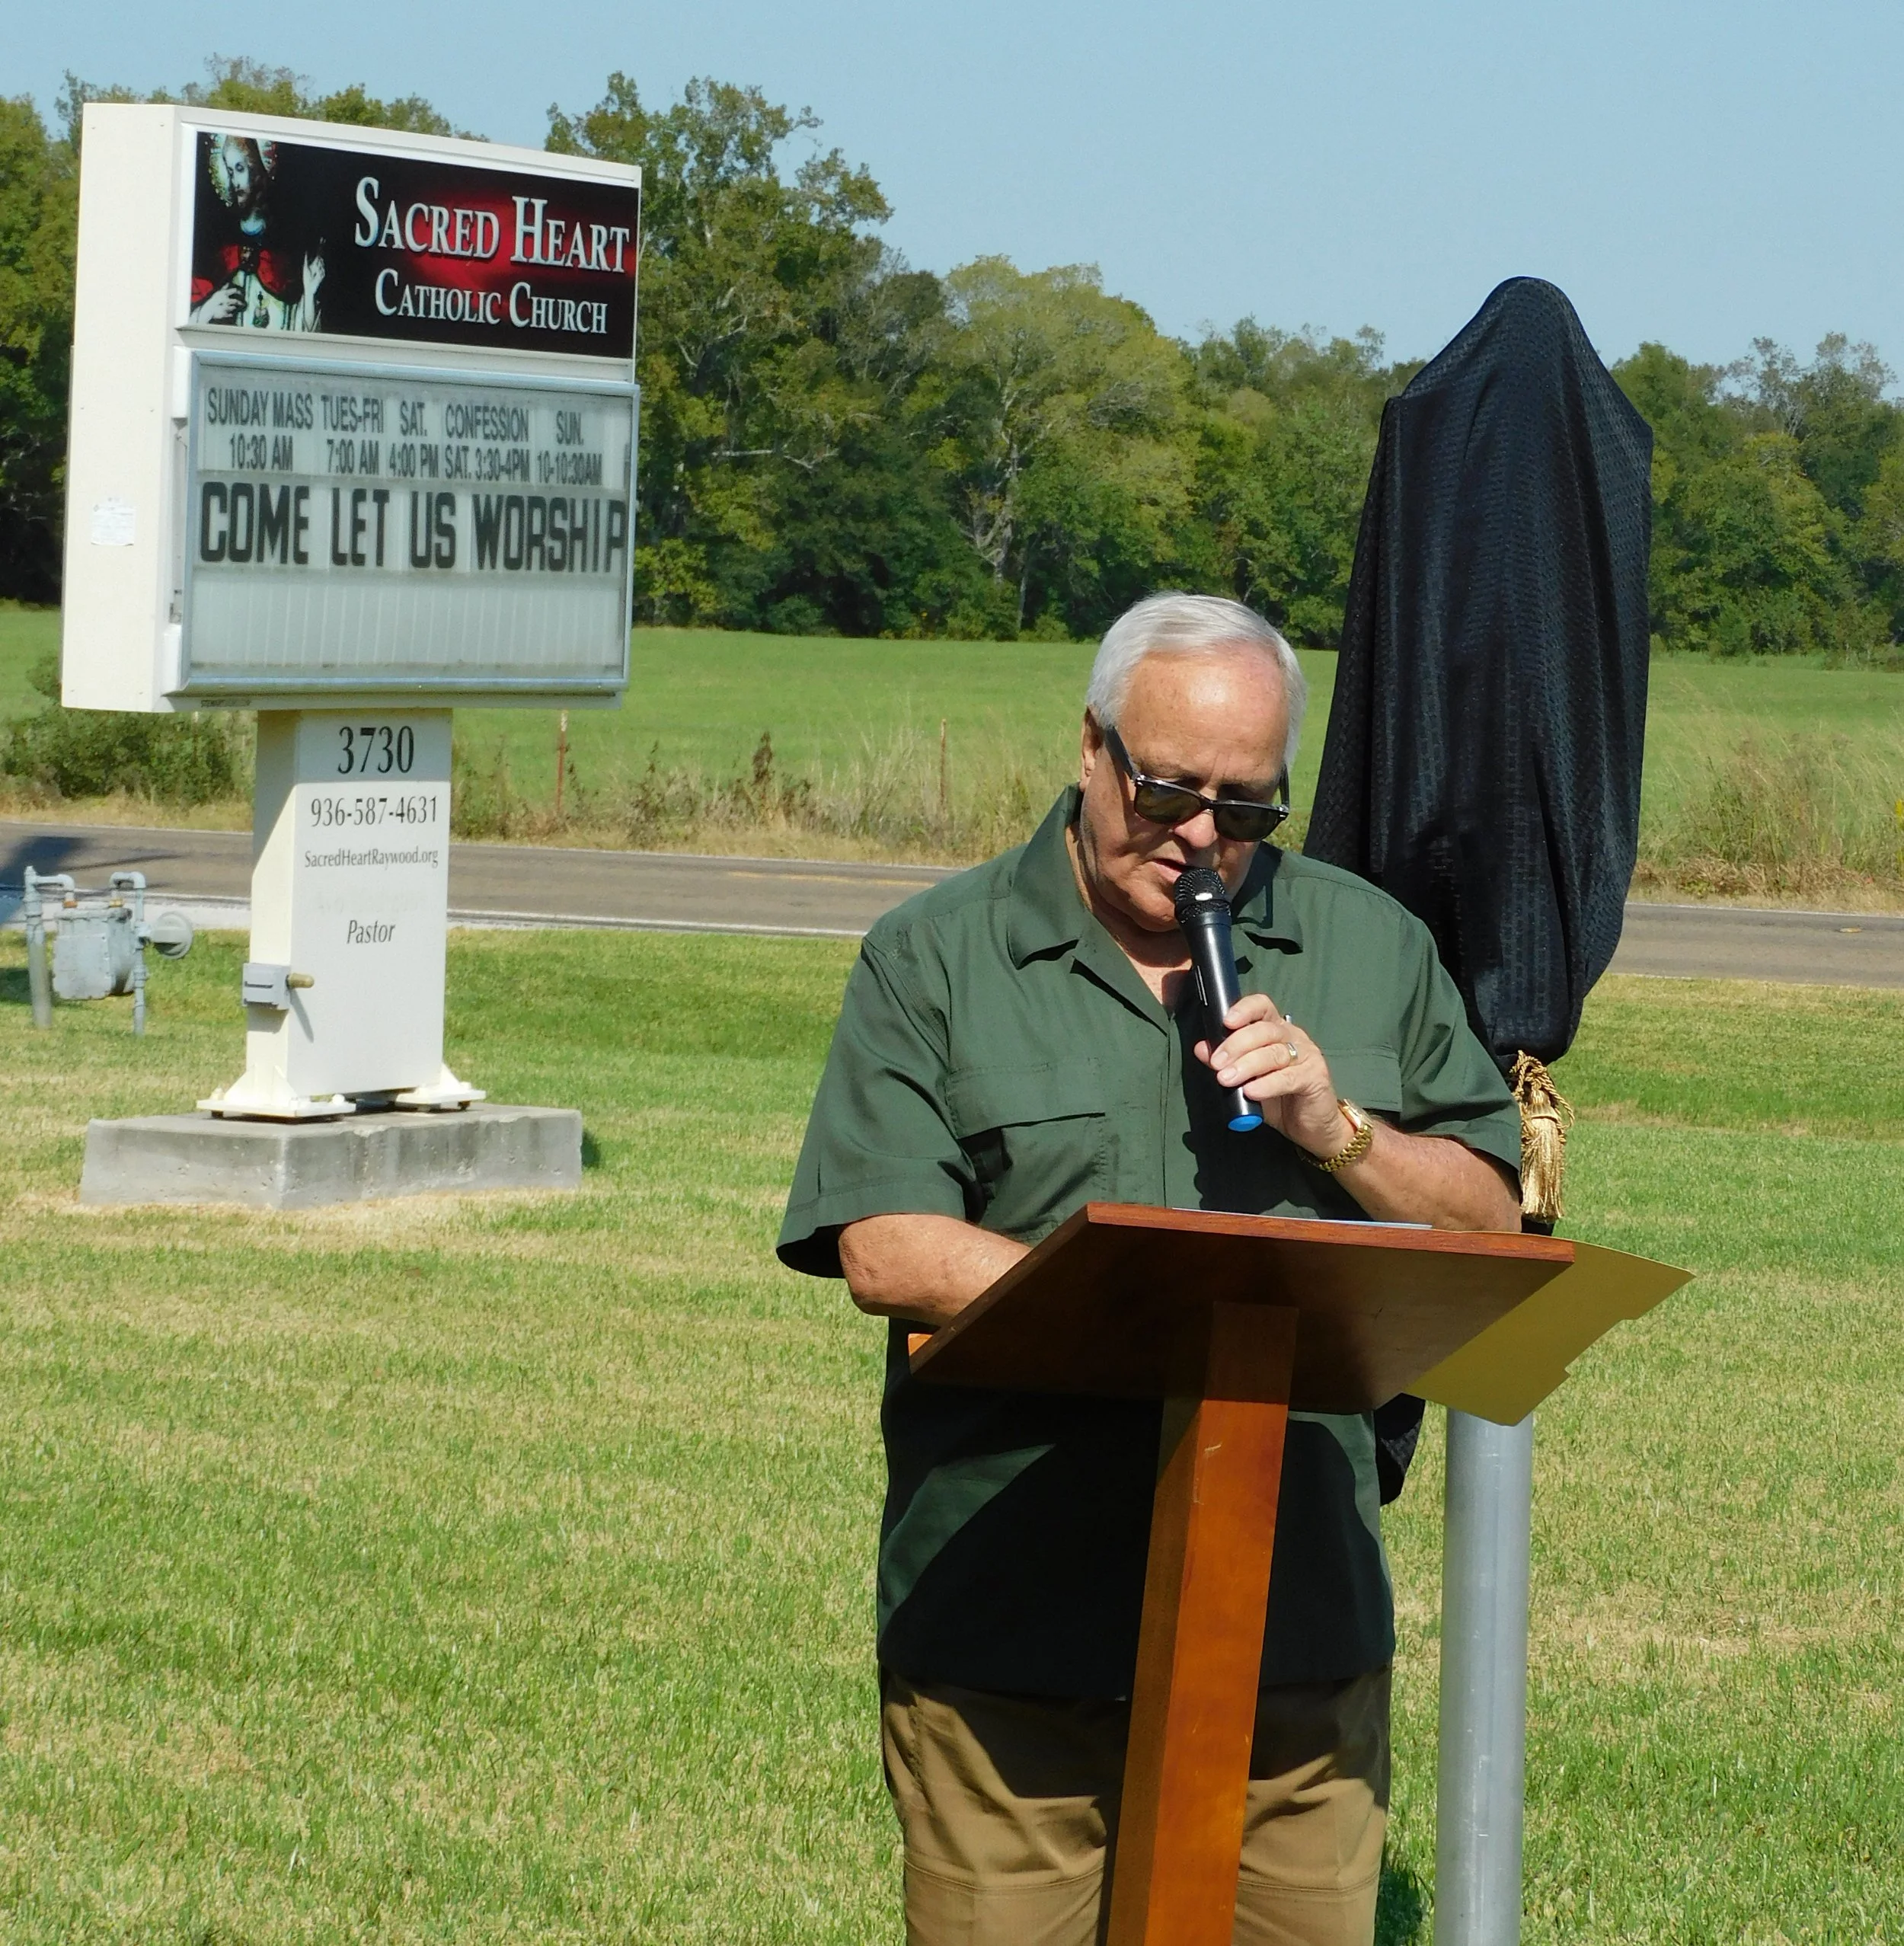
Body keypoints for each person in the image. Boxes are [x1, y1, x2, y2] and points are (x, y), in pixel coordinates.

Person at [778, 592, 1523, 1946]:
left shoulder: (1370, 945)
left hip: (1296, 1629)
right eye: (1168, 792)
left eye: (1247, 810)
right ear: (1091, 747)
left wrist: (1339, 1129)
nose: (1199, 839)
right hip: (1014, 1631)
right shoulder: (935, 954)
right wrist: (1147, 1313)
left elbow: (1490, 1228)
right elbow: (885, 1243)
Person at [190, 133, 324, 333]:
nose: (234, 181)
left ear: (259, 170)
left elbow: (301, 334)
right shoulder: (219, 253)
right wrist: (208, 310)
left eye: (240, 169)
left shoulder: (287, 249)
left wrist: (310, 293)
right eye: (230, 171)